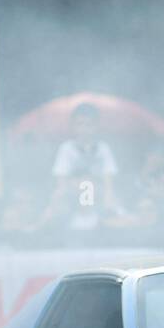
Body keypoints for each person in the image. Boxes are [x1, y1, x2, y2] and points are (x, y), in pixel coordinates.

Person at [41, 102, 120, 239]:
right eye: (80, 124)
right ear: (73, 126)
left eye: (89, 124)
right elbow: (61, 180)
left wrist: (108, 197)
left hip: (99, 193)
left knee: (107, 200)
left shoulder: (103, 148)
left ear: (96, 126)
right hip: (73, 193)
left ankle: (97, 221)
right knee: (76, 189)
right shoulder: (66, 148)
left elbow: (109, 180)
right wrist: (61, 198)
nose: (84, 128)